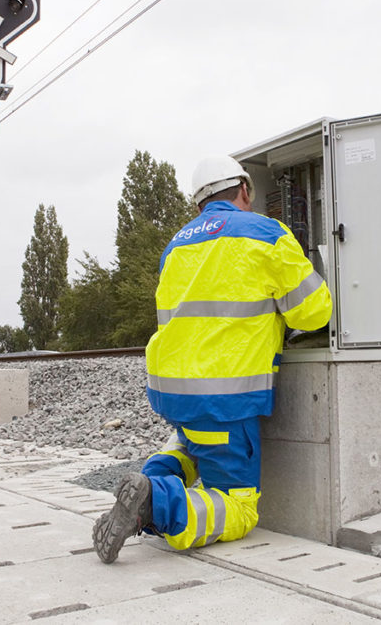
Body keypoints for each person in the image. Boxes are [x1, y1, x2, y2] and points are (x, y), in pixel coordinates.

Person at [93, 156, 332, 563]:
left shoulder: (176, 245)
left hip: (173, 390)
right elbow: (313, 313)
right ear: (245, 190)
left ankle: (148, 483)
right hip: (226, 396)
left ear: (199, 203)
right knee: (238, 506)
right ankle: (155, 504)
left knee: (191, 442)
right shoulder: (267, 233)